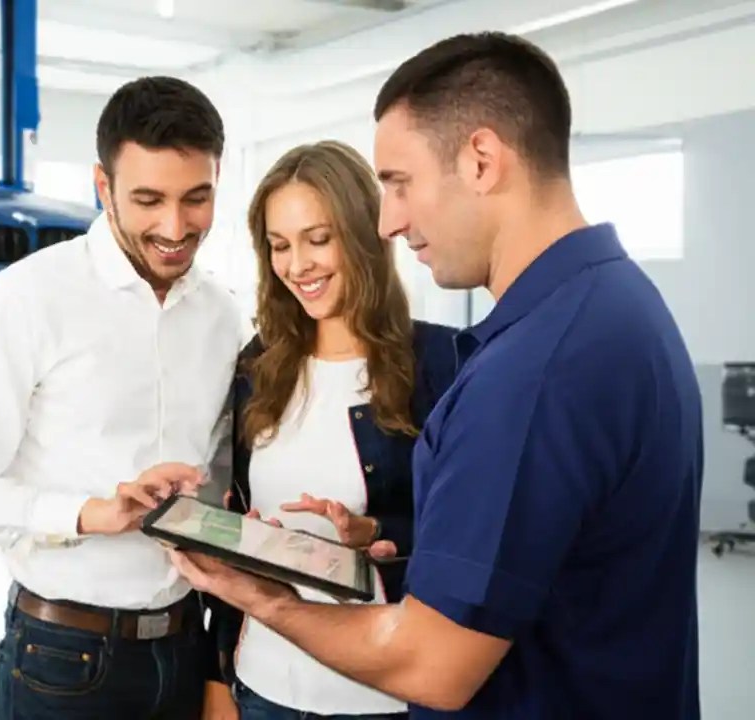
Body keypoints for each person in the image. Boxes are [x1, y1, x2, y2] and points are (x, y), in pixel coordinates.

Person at [172, 31, 703, 720]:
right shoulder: (617, 307)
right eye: (279, 245)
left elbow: (433, 665)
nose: (390, 221)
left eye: (399, 184)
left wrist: (264, 597)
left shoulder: (529, 371)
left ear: (481, 160)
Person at [0, 75, 250, 720]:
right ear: (103, 187)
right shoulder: (26, 298)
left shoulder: (223, 316)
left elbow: (220, 489)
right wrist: (90, 512)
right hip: (64, 659)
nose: (175, 227)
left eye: (197, 198)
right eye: (148, 199)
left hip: (188, 646)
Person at [200, 141, 459, 720]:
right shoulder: (257, 369)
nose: (298, 265)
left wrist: (374, 532)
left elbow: (477, 538)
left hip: (382, 696)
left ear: (367, 233)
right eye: (280, 245)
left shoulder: (441, 364)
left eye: (319, 239)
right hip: (262, 684)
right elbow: (238, 512)